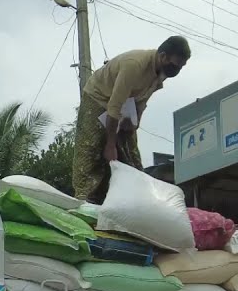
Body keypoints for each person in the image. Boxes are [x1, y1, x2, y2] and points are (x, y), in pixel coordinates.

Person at [72, 35, 191, 204]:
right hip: (98, 97)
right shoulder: (134, 65)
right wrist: (110, 145)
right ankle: (86, 201)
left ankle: (132, 200)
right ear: (163, 56)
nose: (177, 69)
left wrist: (134, 123)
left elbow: (142, 101)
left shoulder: (160, 73)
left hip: (126, 105)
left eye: (182, 66)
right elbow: (113, 108)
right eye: (176, 64)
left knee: (129, 154)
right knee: (93, 151)